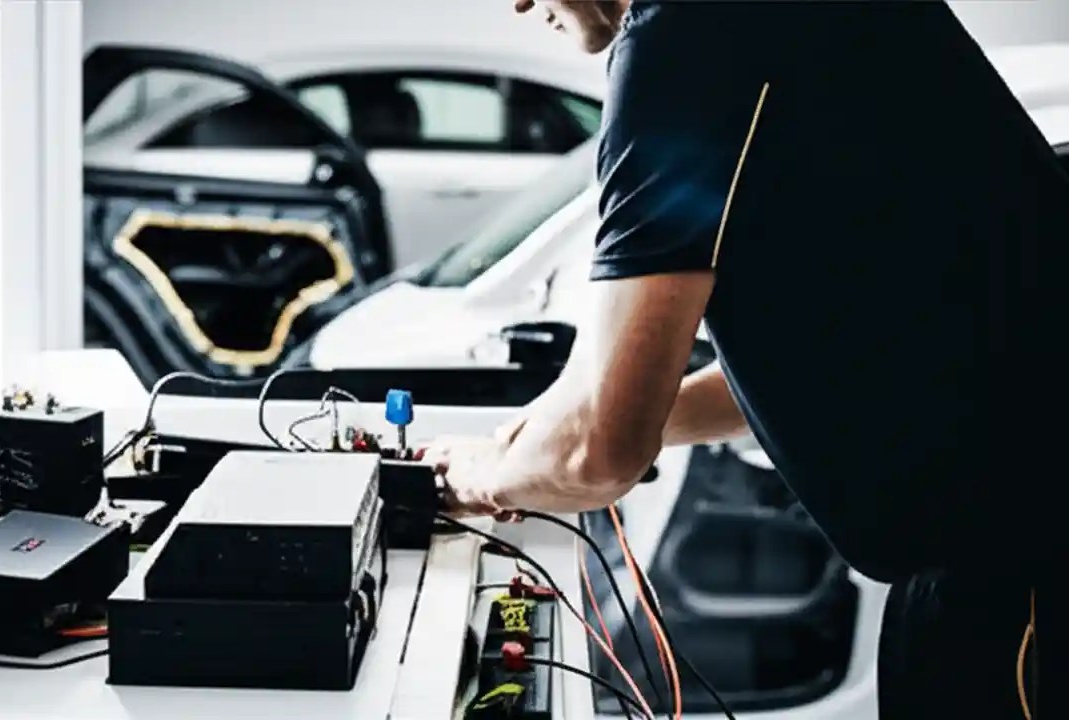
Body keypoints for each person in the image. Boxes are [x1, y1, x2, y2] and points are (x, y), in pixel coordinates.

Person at [430, 1, 1066, 718]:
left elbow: (595, 452)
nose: (517, 2)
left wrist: (472, 476)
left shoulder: (682, 44)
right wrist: (616, 424)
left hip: (1018, 583)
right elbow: (864, 340)